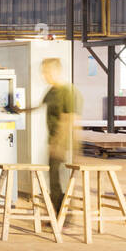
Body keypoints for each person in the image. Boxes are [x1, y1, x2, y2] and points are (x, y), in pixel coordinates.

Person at [40, 57, 82, 214]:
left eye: (46, 72)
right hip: (53, 142)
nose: (44, 75)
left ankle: (65, 216)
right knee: (54, 181)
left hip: (65, 144)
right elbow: (38, 106)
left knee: (63, 181)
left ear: (56, 71)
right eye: (43, 72)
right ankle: (55, 214)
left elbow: (70, 118)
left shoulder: (68, 91)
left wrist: (59, 143)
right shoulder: (51, 91)